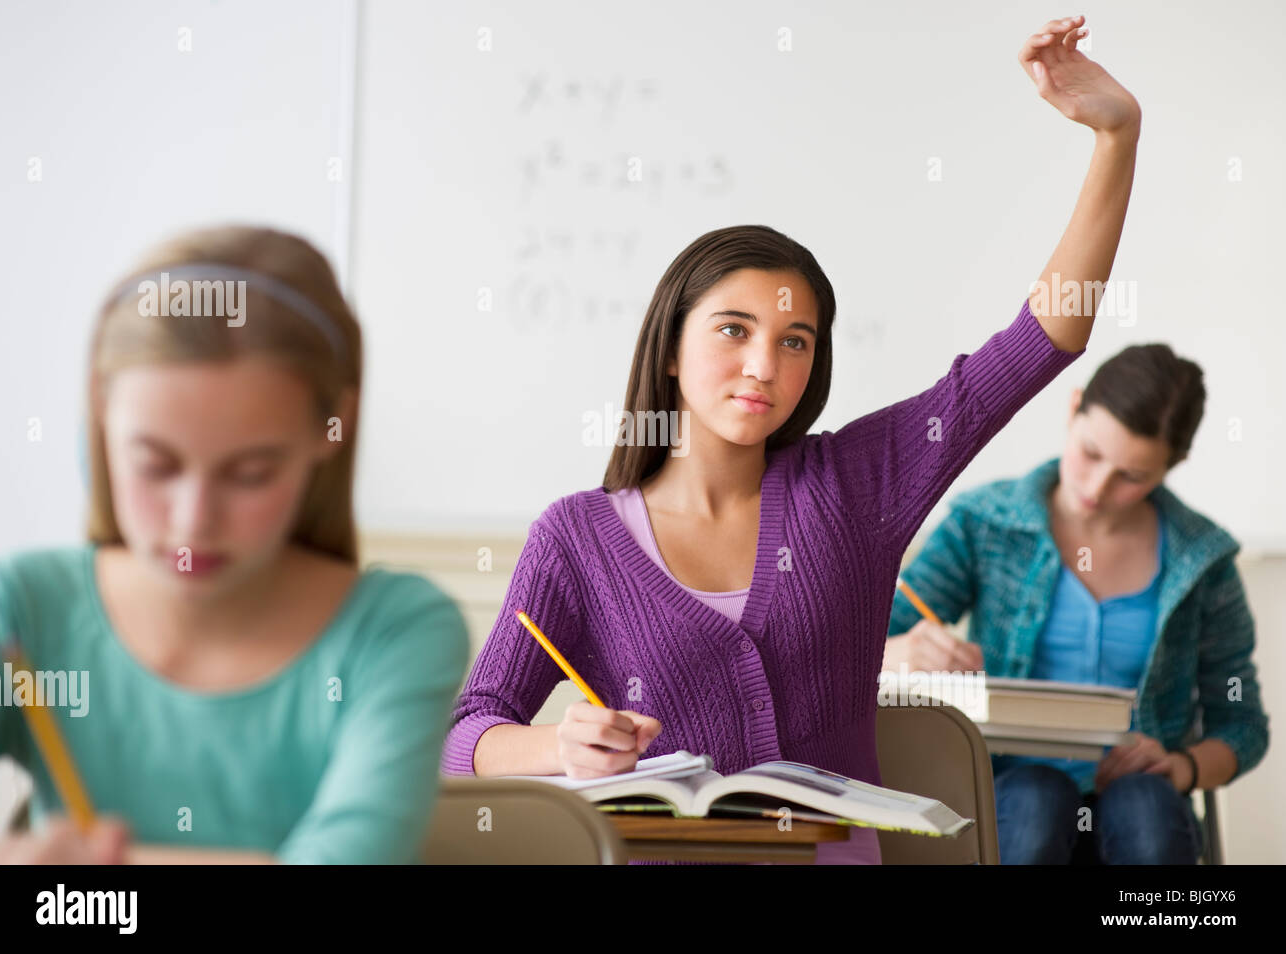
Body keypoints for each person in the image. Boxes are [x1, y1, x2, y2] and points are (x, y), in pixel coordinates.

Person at [444, 15, 1142, 864]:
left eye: (794, 341)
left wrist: (1115, 138)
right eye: (733, 331)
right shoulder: (577, 537)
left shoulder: (856, 484)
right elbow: (467, 732)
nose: (764, 366)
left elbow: (1041, 343)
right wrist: (559, 747)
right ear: (670, 348)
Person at [0, 225, 468, 863]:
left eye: (250, 474)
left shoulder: (398, 630)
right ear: (100, 411)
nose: (192, 523)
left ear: (335, 426)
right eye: (156, 465)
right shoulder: (19, 605)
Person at [884, 344, 1270, 863]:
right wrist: (897, 653)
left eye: (1132, 476)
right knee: (1035, 800)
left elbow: (1241, 724)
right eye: (1091, 452)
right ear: (1072, 409)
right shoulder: (984, 523)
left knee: (1146, 808)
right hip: (1011, 799)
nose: (1096, 486)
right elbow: (860, 642)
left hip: (1142, 809)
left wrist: (1181, 767)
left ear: (1171, 467)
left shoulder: (1204, 561)